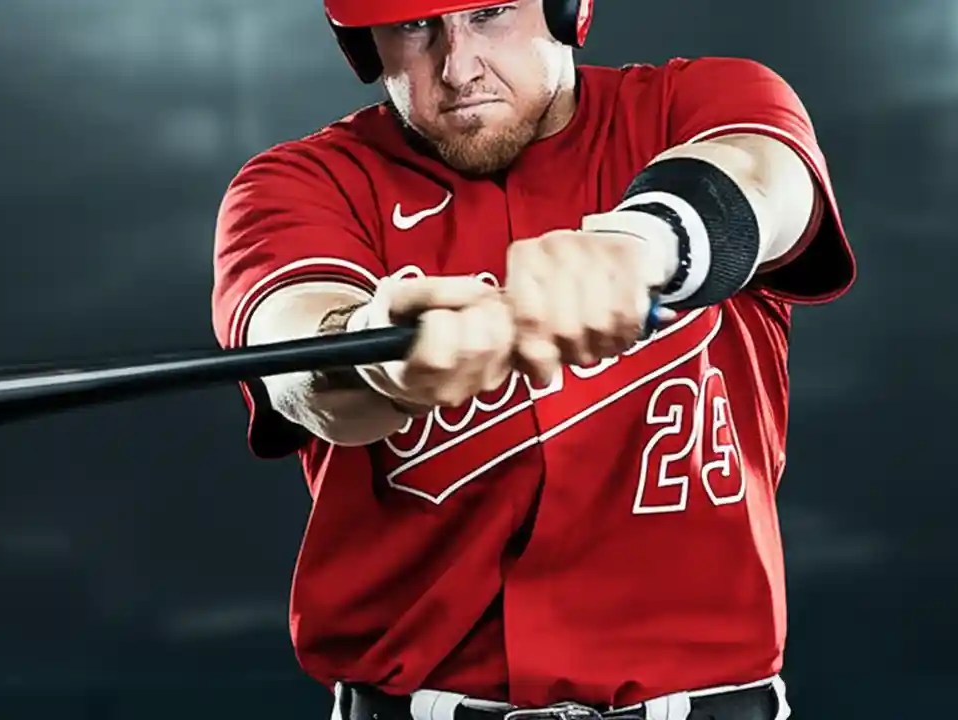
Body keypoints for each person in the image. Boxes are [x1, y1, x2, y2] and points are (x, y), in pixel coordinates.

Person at [210, 0, 856, 718]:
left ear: (566, 7)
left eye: (487, 13)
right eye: (415, 27)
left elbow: (762, 182)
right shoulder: (299, 183)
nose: (457, 69)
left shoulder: (701, 102)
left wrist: (646, 245)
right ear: (362, 45)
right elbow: (294, 354)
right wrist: (370, 346)